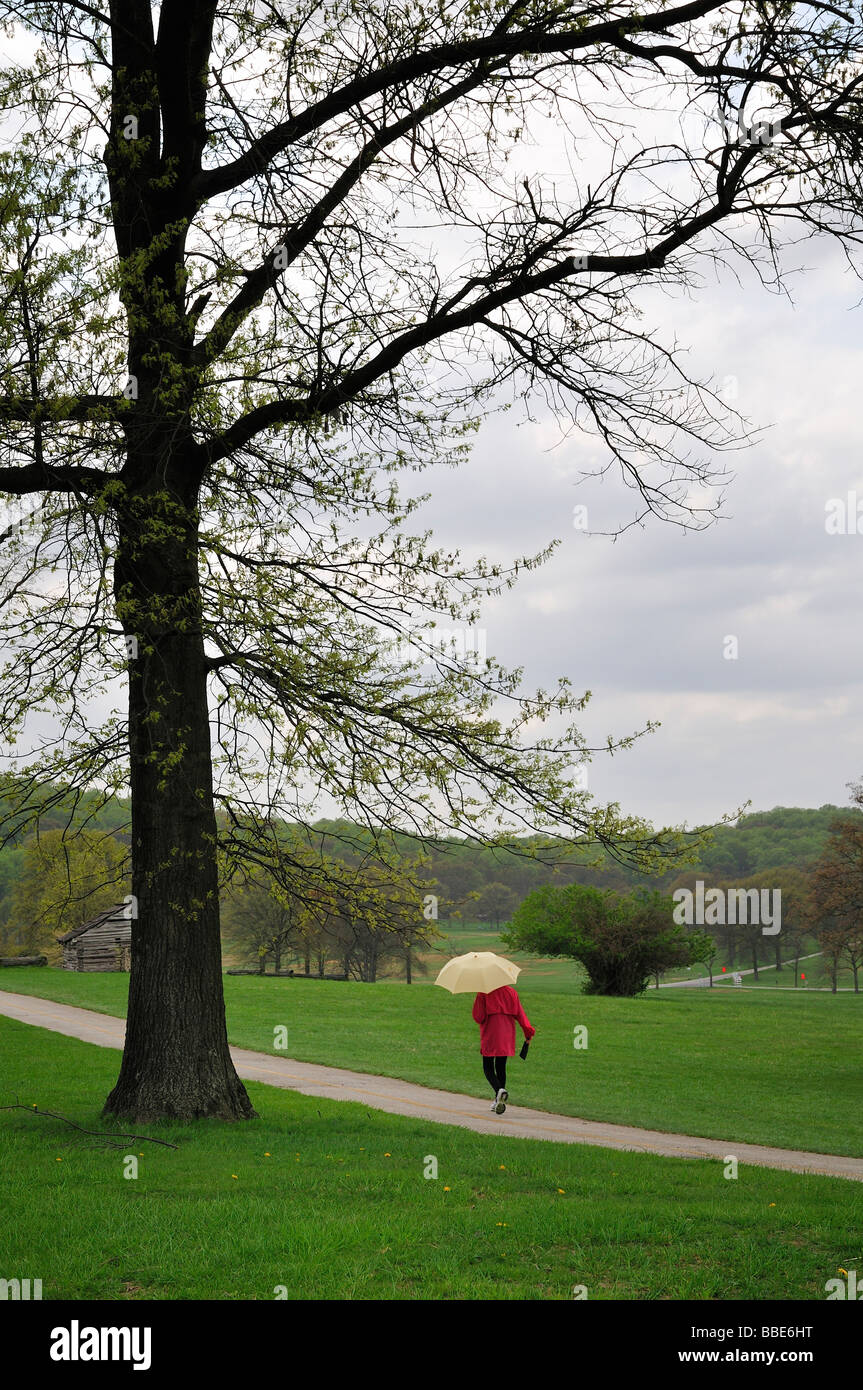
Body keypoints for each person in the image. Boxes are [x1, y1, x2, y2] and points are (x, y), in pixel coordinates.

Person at [472, 984, 535, 1114]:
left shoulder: (483, 993)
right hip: (507, 1033)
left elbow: (479, 1017)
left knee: (487, 1066)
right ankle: (498, 1100)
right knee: (501, 1066)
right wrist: (528, 1033)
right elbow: (521, 1015)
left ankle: (498, 1090)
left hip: (490, 1032)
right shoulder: (511, 992)